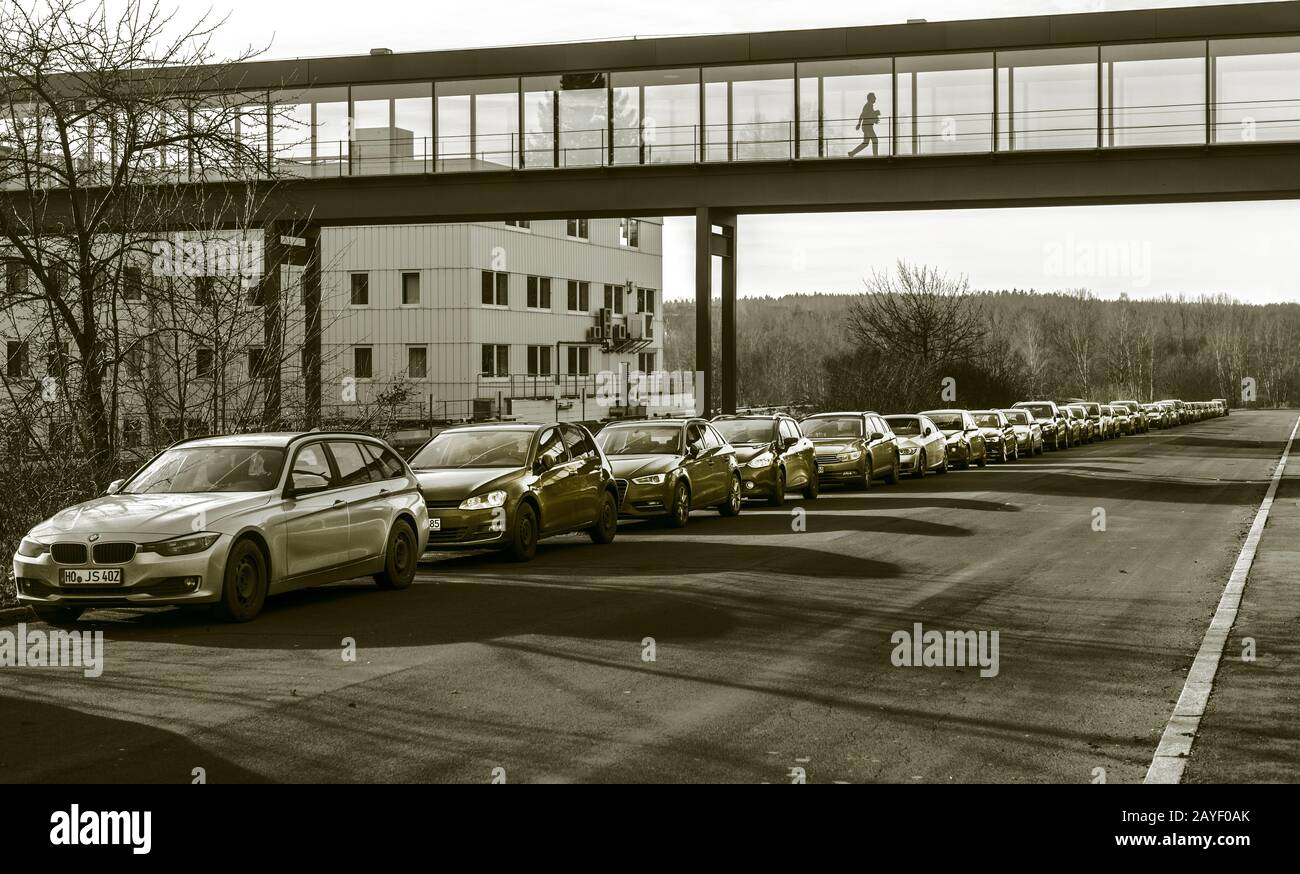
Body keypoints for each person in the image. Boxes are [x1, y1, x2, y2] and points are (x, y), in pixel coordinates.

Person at [849, 92, 881, 157]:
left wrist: (875, 117)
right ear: (870, 98)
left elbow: (868, 115)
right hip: (867, 127)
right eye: (874, 97)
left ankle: (852, 153)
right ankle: (875, 156)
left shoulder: (869, 105)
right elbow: (863, 115)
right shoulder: (868, 105)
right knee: (875, 140)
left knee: (865, 143)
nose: (875, 98)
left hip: (867, 126)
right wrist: (875, 114)